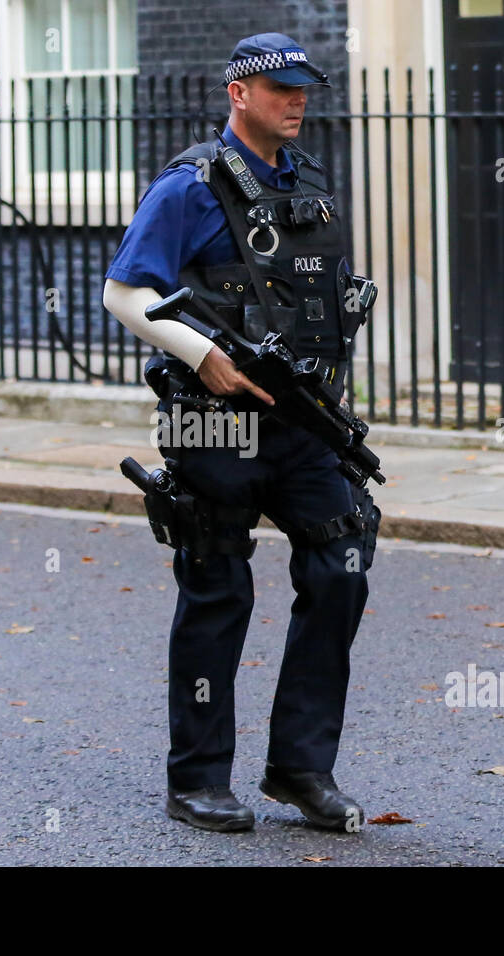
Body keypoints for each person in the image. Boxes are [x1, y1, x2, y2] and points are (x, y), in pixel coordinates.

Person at [103, 33, 377, 833]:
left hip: (299, 420)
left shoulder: (310, 183)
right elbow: (125, 292)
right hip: (211, 418)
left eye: (304, 89)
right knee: (218, 585)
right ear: (239, 93)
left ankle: (300, 769)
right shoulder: (188, 186)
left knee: (343, 563)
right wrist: (205, 354)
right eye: (282, 88)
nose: (297, 100)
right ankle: (196, 781)